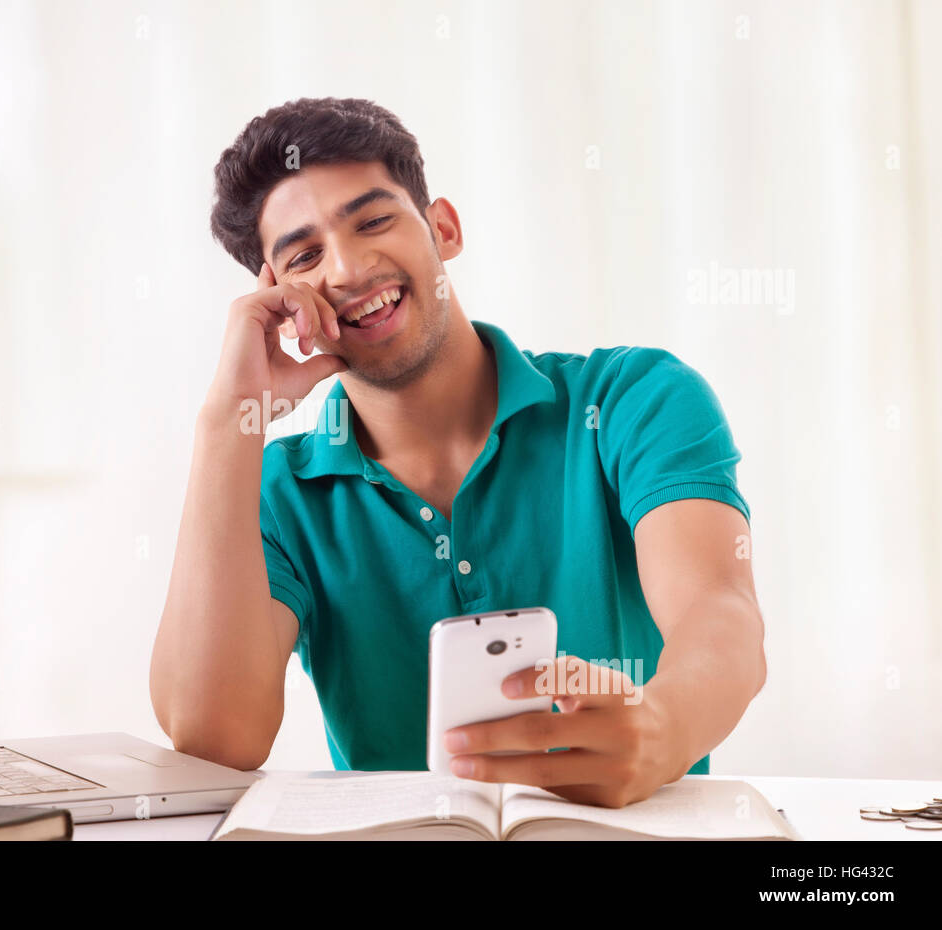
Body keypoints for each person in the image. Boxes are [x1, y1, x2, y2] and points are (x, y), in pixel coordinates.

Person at [150, 97, 766, 808]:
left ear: (443, 228)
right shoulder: (276, 495)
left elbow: (722, 618)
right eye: (306, 256)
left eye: (374, 220)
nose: (348, 268)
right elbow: (213, 736)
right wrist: (229, 424)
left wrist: (661, 728)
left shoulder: (635, 399)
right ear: (282, 301)